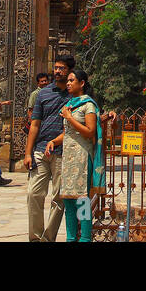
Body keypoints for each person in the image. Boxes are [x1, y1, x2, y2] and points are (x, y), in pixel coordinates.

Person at [50, 68, 104, 242]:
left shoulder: (88, 105)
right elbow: (68, 132)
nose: (68, 83)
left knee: (82, 199)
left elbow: (89, 131)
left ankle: (85, 237)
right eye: (68, 80)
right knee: (68, 199)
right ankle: (71, 237)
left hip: (82, 157)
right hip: (69, 156)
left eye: (72, 80)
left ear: (82, 83)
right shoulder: (70, 104)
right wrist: (54, 141)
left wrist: (70, 117)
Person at [25, 54, 73, 242]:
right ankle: (36, 237)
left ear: (69, 71)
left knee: (59, 197)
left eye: (62, 68)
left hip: (63, 152)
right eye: (56, 67)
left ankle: (48, 238)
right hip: (41, 149)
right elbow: (34, 124)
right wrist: (28, 152)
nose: (58, 71)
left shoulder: (74, 95)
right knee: (33, 193)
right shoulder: (43, 93)